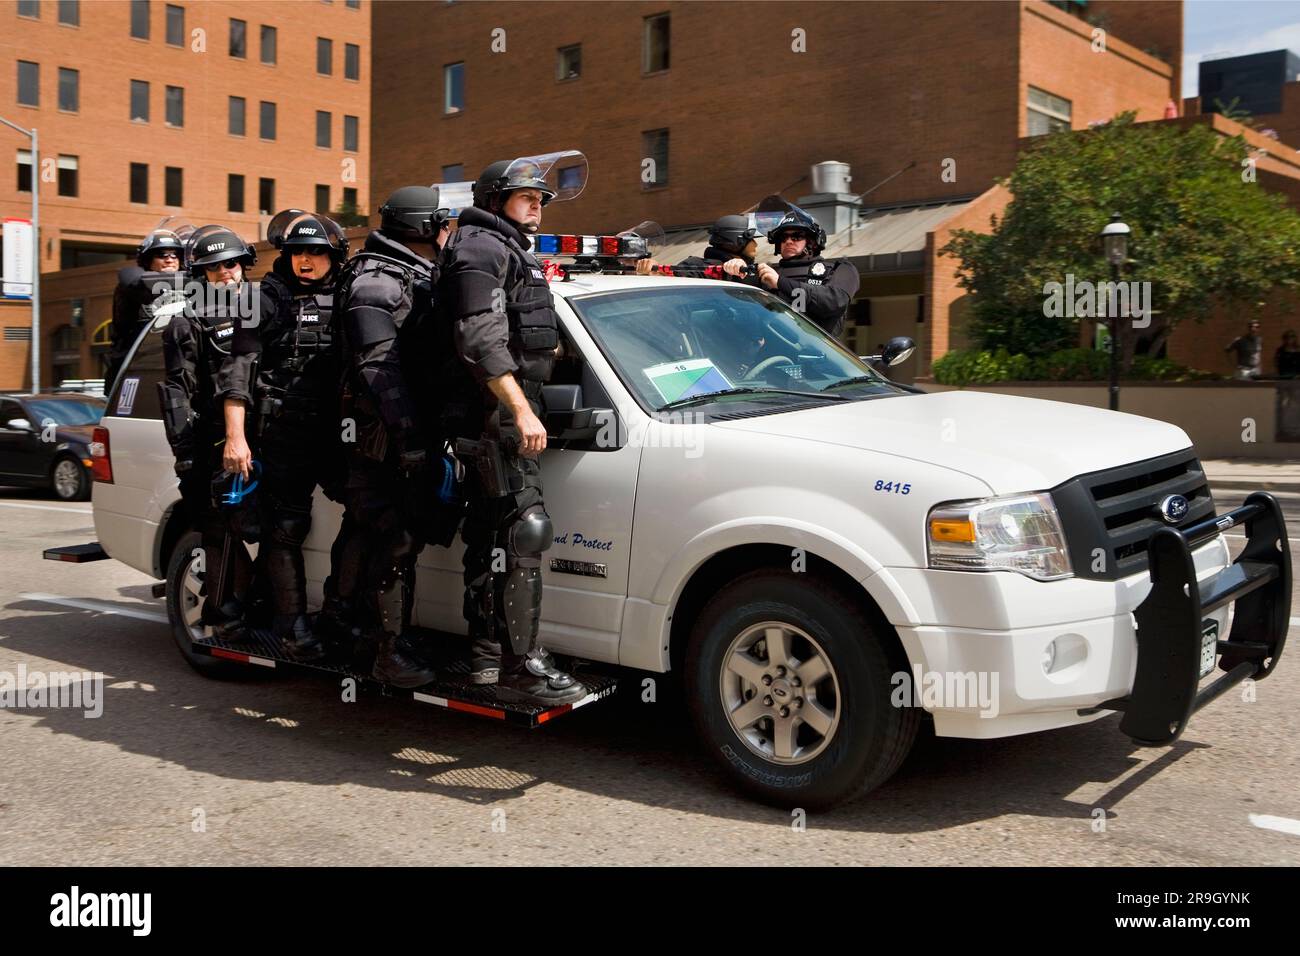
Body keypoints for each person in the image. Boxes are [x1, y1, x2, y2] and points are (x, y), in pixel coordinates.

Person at [438, 159, 586, 704]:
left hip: (497, 412)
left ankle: (486, 660)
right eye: (525, 195)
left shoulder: (507, 247)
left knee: (494, 540)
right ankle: (523, 666)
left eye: (541, 197)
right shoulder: (481, 248)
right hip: (493, 414)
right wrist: (521, 409)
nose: (537, 203)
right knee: (525, 532)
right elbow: (478, 338)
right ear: (495, 199)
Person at [326, 186, 453, 688]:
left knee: (377, 534)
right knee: (393, 538)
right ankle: (385, 651)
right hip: (381, 440)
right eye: (440, 222)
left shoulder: (405, 274)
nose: (447, 231)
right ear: (421, 227)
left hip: (393, 436)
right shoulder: (377, 284)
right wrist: (410, 439)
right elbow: (380, 372)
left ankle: (359, 633)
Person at [217, 211, 350, 662]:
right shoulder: (264, 299)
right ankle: (292, 628)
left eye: (316, 252)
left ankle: (340, 613)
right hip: (282, 431)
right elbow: (237, 372)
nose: (306, 260)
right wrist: (236, 439)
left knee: (374, 512)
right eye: (298, 253)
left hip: (335, 432)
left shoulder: (349, 294)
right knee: (286, 528)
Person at [156, 225, 258, 643]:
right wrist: (186, 455)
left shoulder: (263, 307)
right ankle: (224, 613)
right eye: (214, 269)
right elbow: (177, 395)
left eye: (231, 264)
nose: (225, 274)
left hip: (264, 435)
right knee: (218, 529)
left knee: (267, 528)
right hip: (211, 441)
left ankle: (256, 603)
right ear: (201, 274)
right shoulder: (185, 322)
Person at [757, 208, 859, 338]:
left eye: (797, 236)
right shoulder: (767, 273)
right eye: (783, 237)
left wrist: (779, 283)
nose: (788, 241)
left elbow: (834, 301)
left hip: (818, 351)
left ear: (812, 242)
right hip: (772, 351)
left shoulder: (840, 269)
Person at [107, 228, 188, 387]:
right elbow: (136, 281)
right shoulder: (134, 281)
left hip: (176, 365)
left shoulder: (190, 285)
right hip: (134, 367)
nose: (170, 259)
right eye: (162, 255)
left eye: (174, 255)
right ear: (148, 260)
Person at [673, 215, 760, 283]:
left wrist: (773, 283)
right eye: (750, 239)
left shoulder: (755, 272)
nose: (755, 244)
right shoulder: (697, 267)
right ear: (735, 243)